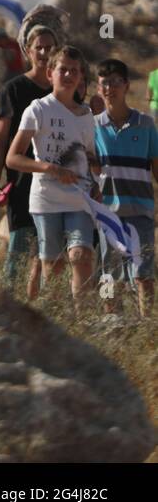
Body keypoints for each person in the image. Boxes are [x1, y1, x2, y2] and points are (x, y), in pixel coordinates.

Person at [6, 46, 100, 306]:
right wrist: (49, 168)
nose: (68, 75)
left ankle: (83, 321)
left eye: (74, 70)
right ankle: (58, 320)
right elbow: (13, 158)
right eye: (63, 69)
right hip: (46, 199)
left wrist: (97, 182)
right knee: (54, 266)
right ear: (51, 73)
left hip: (79, 199)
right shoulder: (38, 109)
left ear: (81, 77)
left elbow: (89, 157)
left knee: (81, 256)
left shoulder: (87, 116)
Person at [0, 24, 56, 294]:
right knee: (19, 249)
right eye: (38, 47)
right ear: (28, 52)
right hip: (21, 183)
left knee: (48, 255)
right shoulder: (13, 90)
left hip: (55, 185)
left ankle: (40, 312)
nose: (43, 52)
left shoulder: (63, 90)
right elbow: (0, 139)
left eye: (49, 47)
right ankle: (7, 309)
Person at [93, 59, 158, 316]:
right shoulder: (93, 126)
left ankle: (147, 326)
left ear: (127, 85)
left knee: (144, 274)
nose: (110, 88)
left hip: (141, 210)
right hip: (108, 213)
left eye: (116, 82)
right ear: (99, 89)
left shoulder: (145, 125)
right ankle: (112, 323)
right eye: (104, 83)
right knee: (109, 275)